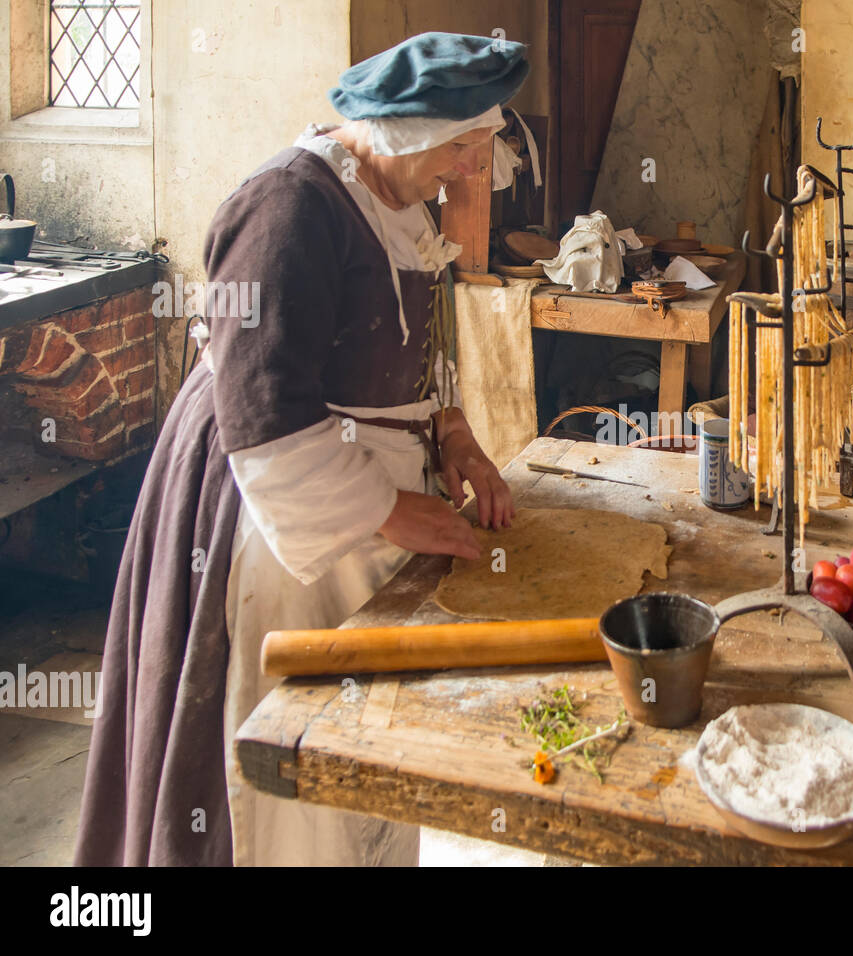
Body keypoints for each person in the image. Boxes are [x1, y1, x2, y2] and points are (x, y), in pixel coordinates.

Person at [75, 32, 527, 866]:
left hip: (364, 504)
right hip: (270, 519)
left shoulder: (399, 202)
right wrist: (391, 510)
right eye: (463, 146)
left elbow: (414, 347)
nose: (471, 171)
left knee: (370, 755)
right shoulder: (290, 205)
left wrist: (454, 434)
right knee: (286, 765)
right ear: (406, 129)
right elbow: (265, 410)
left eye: (480, 148)